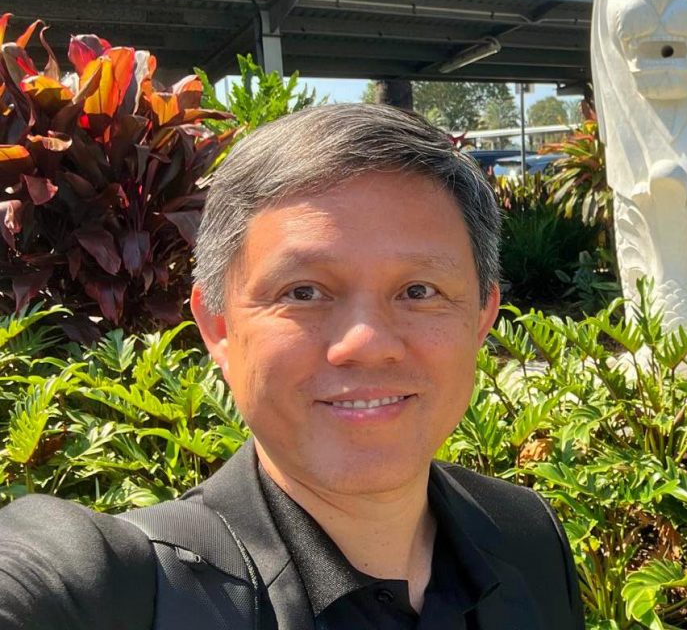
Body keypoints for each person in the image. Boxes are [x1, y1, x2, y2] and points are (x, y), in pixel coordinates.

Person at [0, 104, 584, 629]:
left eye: (419, 289)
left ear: (482, 319)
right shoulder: (125, 588)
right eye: (304, 291)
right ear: (219, 327)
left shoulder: (527, 534)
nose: (367, 343)